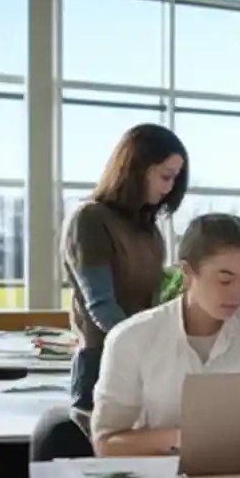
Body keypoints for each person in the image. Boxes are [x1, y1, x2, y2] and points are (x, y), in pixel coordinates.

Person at [90, 214, 240, 457]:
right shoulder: (131, 338)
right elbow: (106, 443)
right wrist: (186, 437)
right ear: (187, 273)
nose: (237, 293)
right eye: (225, 279)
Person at [62, 123, 189, 410]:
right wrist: (148, 350)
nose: (169, 188)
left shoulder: (148, 230)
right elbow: (101, 306)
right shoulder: (90, 220)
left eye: (175, 179)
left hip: (145, 366)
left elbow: (152, 300)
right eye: (165, 176)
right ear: (135, 169)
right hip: (102, 364)